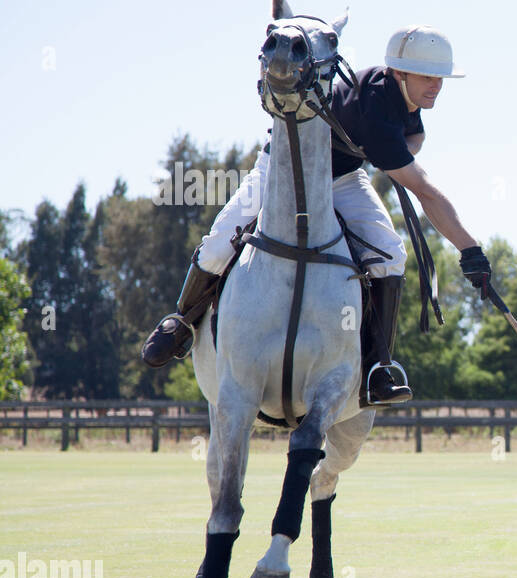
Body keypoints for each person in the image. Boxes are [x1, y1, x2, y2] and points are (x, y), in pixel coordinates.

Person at [140, 25, 493, 405]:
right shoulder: (377, 106)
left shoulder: (405, 98)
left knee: (390, 256)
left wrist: (392, 153)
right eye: (427, 77)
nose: (436, 86)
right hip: (282, 167)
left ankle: (376, 369)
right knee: (217, 244)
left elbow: (415, 137)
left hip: (340, 177)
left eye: (440, 78)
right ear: (398, 72)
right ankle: (181, 322)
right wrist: (469, 250)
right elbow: (424, 191)